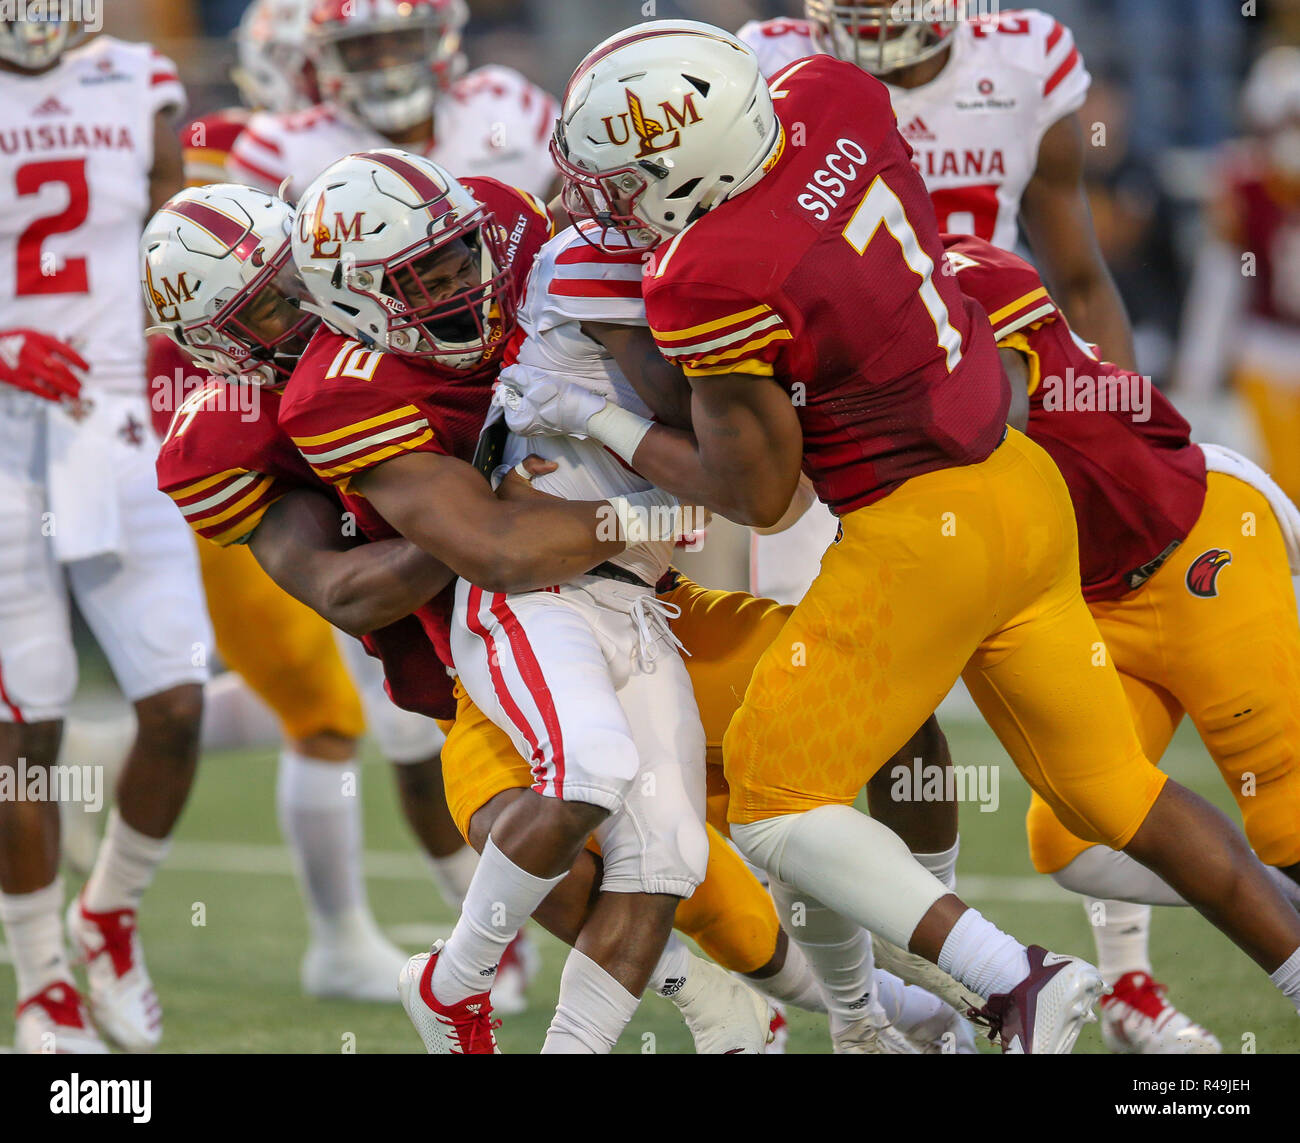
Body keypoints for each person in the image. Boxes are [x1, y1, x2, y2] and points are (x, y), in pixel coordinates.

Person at [539, 19, 1300, 1042]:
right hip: (1020, 489)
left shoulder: (703, 277)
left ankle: (1013, 980)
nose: (611, 203)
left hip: (919, 526)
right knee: (1116, 793)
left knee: (771, 796)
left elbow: (760, 497)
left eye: (625, 177)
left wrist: (600, 414)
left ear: (688, 161)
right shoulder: (828, 97)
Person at [0, 15, 210, 1053]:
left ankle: (108, 914)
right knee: (23, 730)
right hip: (0, 438)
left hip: (118, 418)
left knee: (176, 702)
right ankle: (41, 980)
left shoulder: (140, 76)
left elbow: (184, 225)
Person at [228, 0, 559, 202]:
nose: (387, 64)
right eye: (362, 47)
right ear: (324, 55)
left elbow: (572, 209)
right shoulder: (278, 145)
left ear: (442, 37)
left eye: (403, 41)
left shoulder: (506, 100)